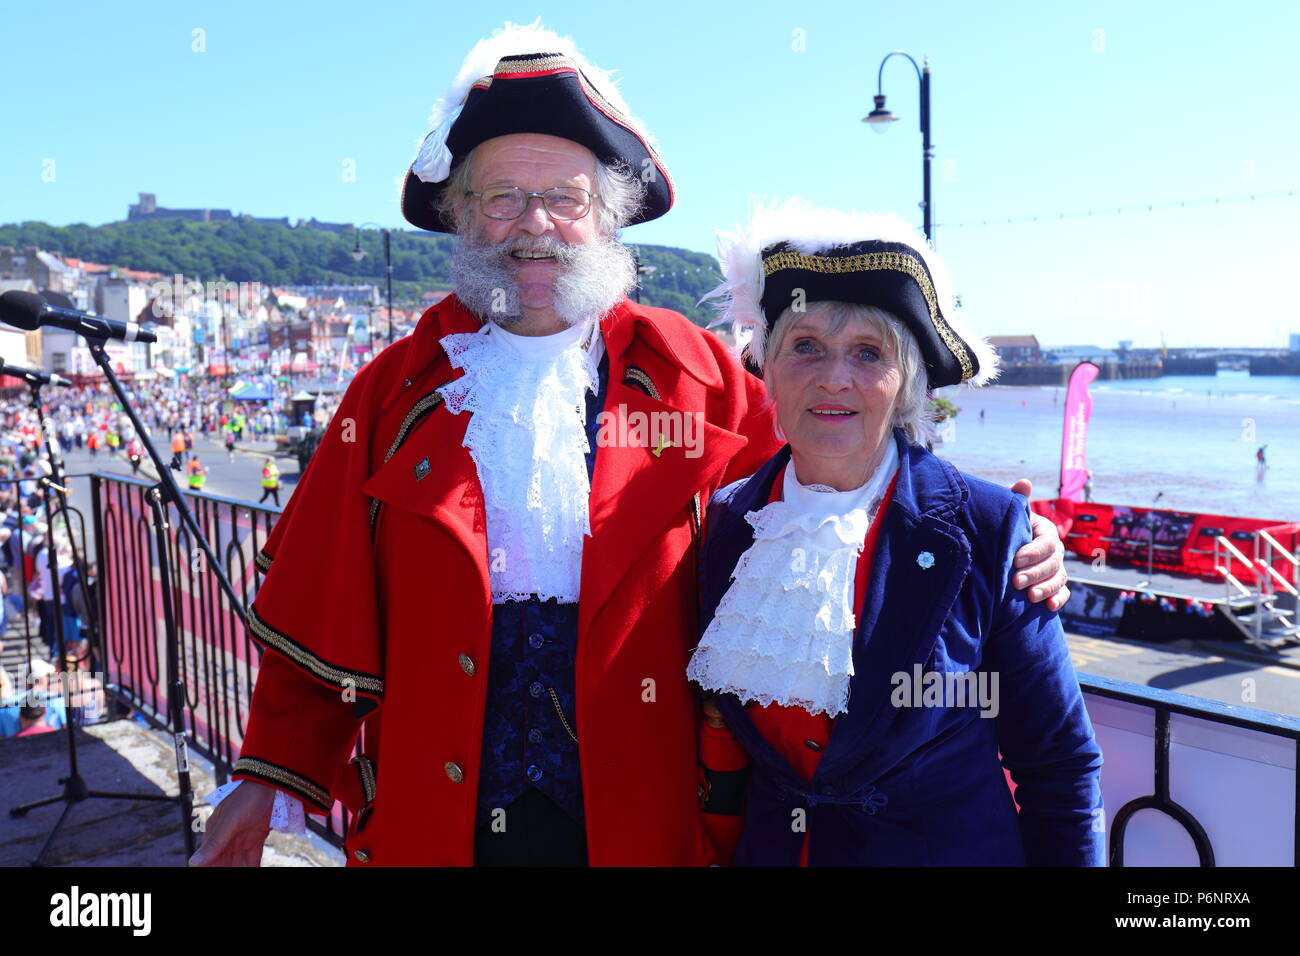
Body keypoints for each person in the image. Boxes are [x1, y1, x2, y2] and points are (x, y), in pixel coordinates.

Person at [191, 22, 1068, 869]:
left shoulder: (699, 374)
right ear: (463, 216)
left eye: (564, 198)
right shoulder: (392, 393)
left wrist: (1012, 538)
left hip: (650, 813)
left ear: (606, 218)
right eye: (502, 197)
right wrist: (264, 779)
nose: (533, 225)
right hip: (438, 807)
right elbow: (321, 611)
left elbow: (837, 485)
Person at [689, 202, 1103, 865]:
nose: (834, 376)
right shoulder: (727, 522)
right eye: (805, 346)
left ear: (905, 382)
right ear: (766, 365)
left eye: (867, 352)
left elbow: (1058, 764)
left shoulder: (991, 531)